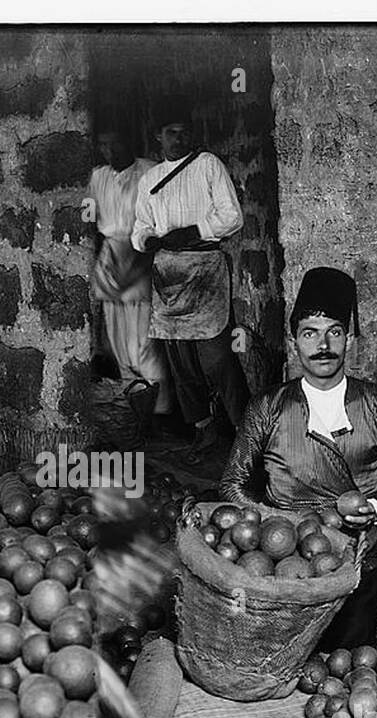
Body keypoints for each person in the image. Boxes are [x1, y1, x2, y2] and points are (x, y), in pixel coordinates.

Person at [220, 267, 377, 648]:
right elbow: (233, 483)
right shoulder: (268, 407)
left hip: (354, 551)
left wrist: (376, 509)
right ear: (294, 339)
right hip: (283, 552)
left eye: (334, 332)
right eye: (310, 333)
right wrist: (277, 524)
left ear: (349, 340)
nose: (323, 346)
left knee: (348, 626)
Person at [132, 99, 248, 461]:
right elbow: (141, 226)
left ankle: (246, 435)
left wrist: (194, 230)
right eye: (171, 133)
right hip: (168, 274)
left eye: (184, 133)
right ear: (159, 137)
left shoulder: (207, 165)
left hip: (205, 267)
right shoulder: (150, 179)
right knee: (180, 363)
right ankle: (204, 433)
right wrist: (148, 240)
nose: (179, 139)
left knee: (217, 360)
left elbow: (232, 216)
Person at [88, 123, 172, 419]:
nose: (110, 151)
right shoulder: (98, 178)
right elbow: (90, 219)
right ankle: (133, 412)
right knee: (119, 342)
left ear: (129, 142)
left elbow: (162, 220)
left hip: (142, 259)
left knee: (144, 344)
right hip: (111, 259)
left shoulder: (150, 172)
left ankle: (160, 412)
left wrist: (144, 255)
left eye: (116, 144)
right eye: (104, 145)